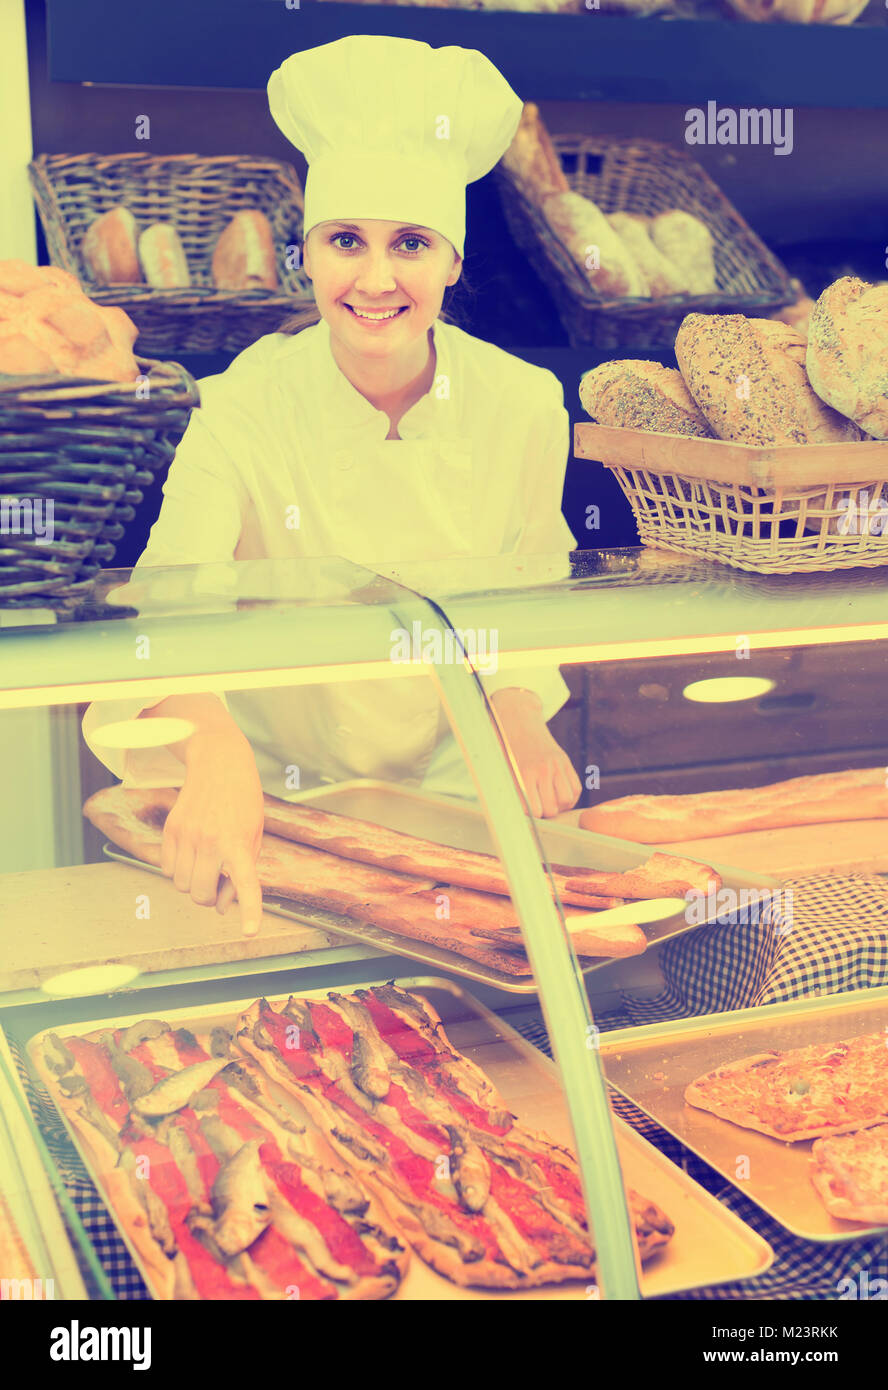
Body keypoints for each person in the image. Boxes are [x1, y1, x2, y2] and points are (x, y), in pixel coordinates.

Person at [83, 34, 581, 935]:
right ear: (307, 254)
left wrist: (517, 709)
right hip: (269, 809)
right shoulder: (237, 407)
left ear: (453, 263)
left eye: (413, 244)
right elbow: (157, 620)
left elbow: (528, 596)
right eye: (347, 240)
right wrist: (215, 752)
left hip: (454, 809)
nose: (378, 278)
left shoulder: (523, 405)